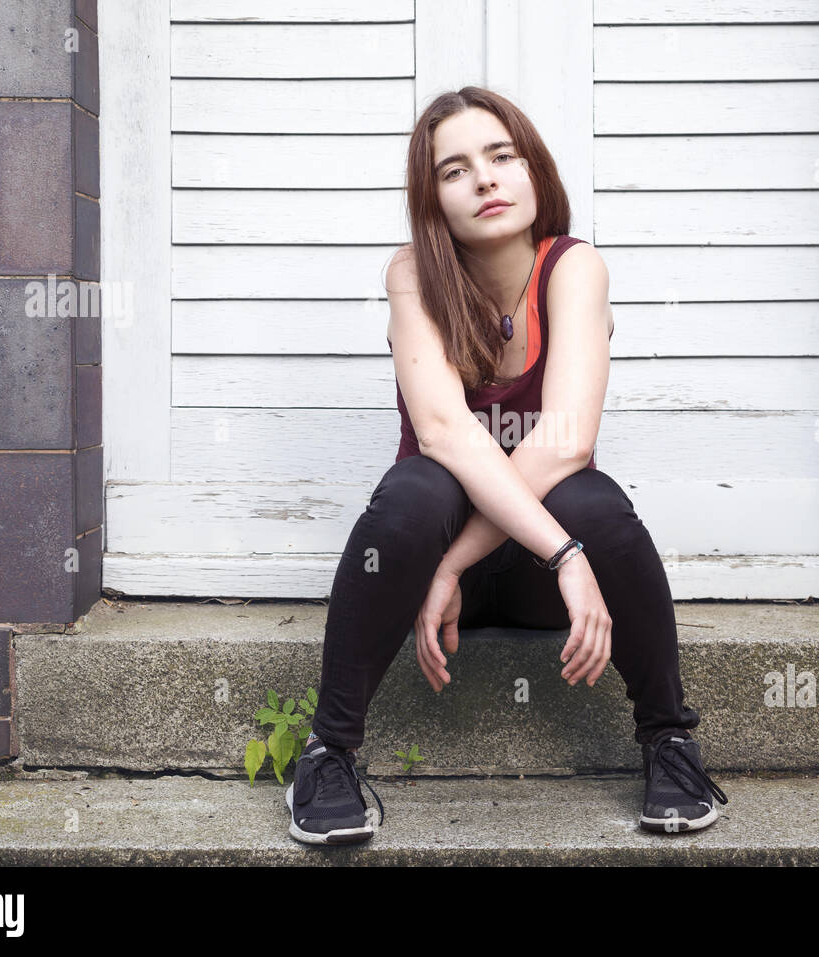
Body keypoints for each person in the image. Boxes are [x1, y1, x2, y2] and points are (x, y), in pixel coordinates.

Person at [286, 86, 727, 846]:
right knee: (416, 488)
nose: (485, 180)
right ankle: (328, 752)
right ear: (433, 202)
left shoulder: (573, 269)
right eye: (454, 171)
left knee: (591, 501)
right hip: (422, 557)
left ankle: (669, 740)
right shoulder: (412, 276)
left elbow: (565, 438)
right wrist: (460, 557)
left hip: (522, 573)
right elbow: (444, 432)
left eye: (501, 156)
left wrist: (468, 563)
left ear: (533, 169)